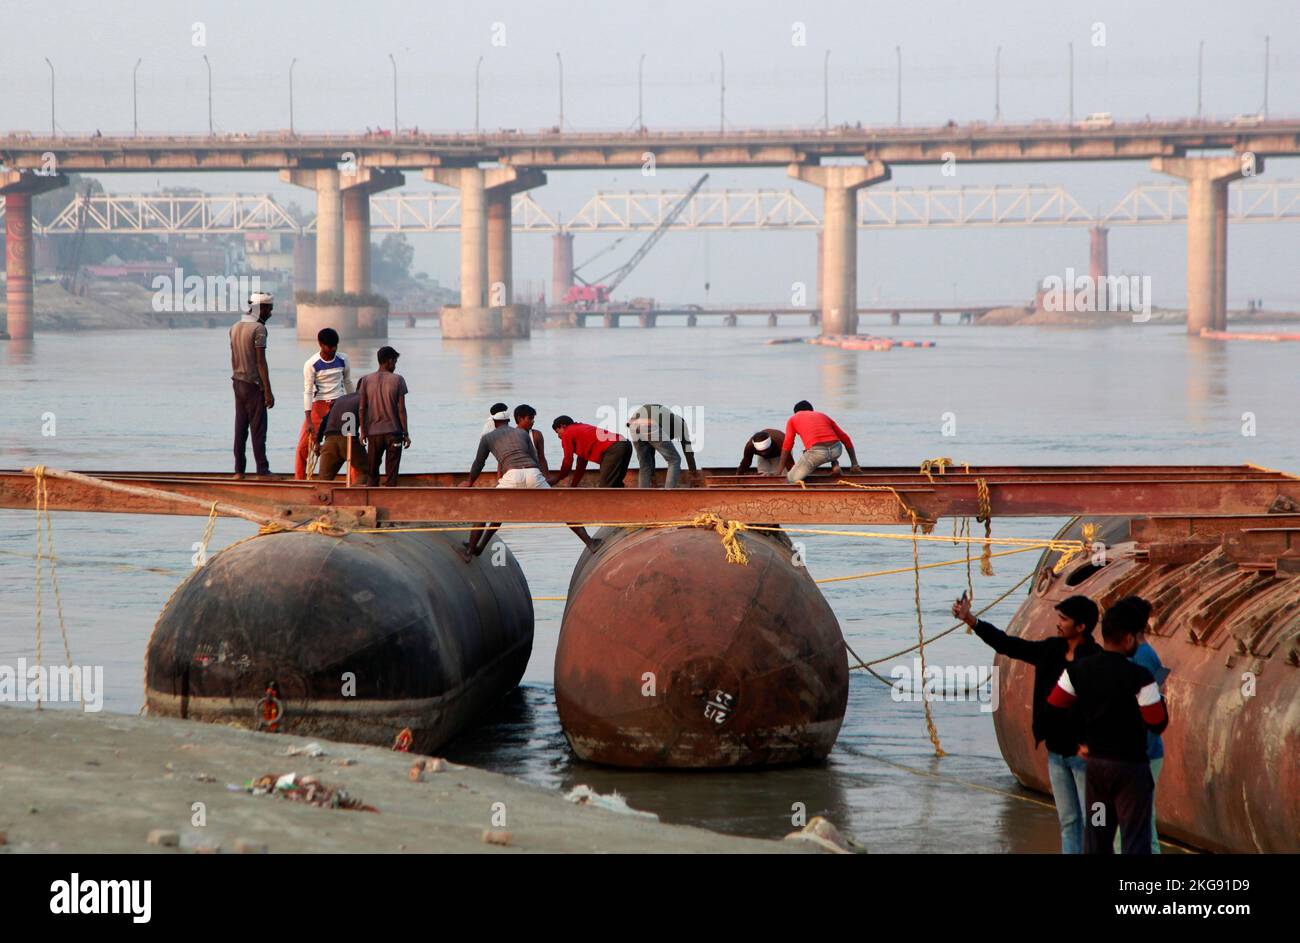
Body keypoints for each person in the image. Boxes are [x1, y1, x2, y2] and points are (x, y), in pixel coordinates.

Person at [953, 592, 1102, 854]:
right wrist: (971, 620)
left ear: (1080, 627)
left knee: (1094, 822)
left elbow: (1106, 708)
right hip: (1056, 752)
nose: (1058, 623)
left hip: (1084, 756)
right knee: (1069, 821)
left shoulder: (1096, 659)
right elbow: (1008, 645)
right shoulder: (1050, 650)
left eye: (1064, 619)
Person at [1047, 595, 1169, 855]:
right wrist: (1161, 700)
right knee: (1135, 836)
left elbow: (1056, 706)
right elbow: (1157, 723)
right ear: (1127, 639)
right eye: (1136, 637)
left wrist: (1078, 740)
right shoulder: (1141, 677)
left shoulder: (1077, 670)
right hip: (1130, 771)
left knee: (1098, 835)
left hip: (1097, 771)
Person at [458, 404, 600, 560]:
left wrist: (470, 482)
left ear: (493, 420)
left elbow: (479, 464)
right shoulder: (521, 433)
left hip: (511, 475)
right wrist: (541, 480)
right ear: (509, 419)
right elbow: (534, 458)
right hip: (533, 473)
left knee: (487, 512)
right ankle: (590, 542)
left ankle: (470, 552)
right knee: (562, 509)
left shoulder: (487, 438)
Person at [1112, 596, 1168, 854]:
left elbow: (1148, 712)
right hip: (1138, 752)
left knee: (1138, 825)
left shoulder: (1143, 658)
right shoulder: (1141, 655)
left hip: (1142, 753)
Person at [230, 291, 275, 479]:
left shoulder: (235, 327)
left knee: (240, 428)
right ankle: (262, 471)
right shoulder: (258, 329)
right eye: (269, 309)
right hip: (253, 385)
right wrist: (268, 391)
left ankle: (239, 471)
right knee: (258, 429)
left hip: (237, 382)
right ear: (261, 308)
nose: (271, 313)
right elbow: (260, 362)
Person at [296, 328, 352, 479]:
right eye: (329, 346)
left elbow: (347, 382)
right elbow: (307, 391)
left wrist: (354, 404)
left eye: (335, 345)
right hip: (318, 406)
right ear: (321, 344)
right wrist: (308, 420)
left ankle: (355, 482)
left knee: (351, 444)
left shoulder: (343, 359)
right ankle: (299, 481)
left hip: (340, 405)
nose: (333, 349)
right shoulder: (311, 364)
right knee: (302, 448)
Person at [356, 346, 409, 486]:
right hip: (394, 432)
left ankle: (371, 497)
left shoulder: (366, 380)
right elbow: (402, 410)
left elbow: (362, 408)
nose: (395, 366)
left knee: (372, 474)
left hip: (373, 434)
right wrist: (406, 433)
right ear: (389, 361)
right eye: (395, 362)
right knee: (391, 474)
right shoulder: (398, 380)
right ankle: (390, 499)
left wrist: (362, 432)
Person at [779, 400, 862, 483]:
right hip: (836, 450)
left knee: (790, 479)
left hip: (817, 454)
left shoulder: (793, 418)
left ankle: (808, 468)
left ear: (796, 412)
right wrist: (854, 464)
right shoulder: (822, 415)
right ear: (812, 410)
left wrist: (779, 471)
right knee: (812, 449)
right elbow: (845, 438)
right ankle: (835, 464)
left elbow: (787, 445)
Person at [626, 403, 697, 489]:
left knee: (645, 463)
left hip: (632, 424)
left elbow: (651, 449)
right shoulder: (682, 424)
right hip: (649, 423)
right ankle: (668, 493)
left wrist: (652, 476)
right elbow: (688, 449)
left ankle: (643, 494)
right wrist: (693, 471)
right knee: (674, 460)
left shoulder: (667, 420)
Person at [549, 416, 633, 488]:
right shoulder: (580, 430)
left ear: (562, 426)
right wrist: (573, 486)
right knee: (616, 483)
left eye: (557, 432)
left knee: (606, 487)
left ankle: (606, 506)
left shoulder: (567, 433)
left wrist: (558, 478)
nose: (558, 436)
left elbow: (568, 460)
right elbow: (581, 466)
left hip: (613, 448)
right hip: (625, 444)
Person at [314, 391, 367, 483]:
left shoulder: (340, 399)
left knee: (323, 481)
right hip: (349, 441)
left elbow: (324, 421)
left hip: (329, 441)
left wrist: (318, 442)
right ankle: (354, 495)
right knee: (368, 472)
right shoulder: (365, 399)